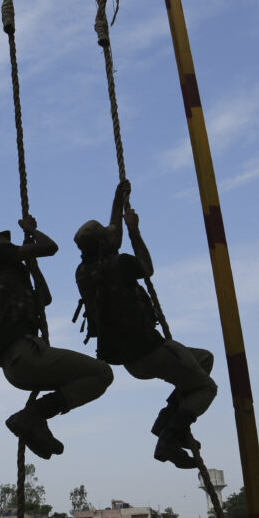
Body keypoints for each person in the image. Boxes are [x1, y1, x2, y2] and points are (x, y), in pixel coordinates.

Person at [73, 181, 217, 468]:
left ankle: (169, 421)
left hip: (130, 360)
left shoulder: (84, 272)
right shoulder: (120, 265)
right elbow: (146, 267)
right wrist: (134, 229)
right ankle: (170, 437)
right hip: (152, 350)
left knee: (203, 359)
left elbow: (110, 239)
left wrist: (117, 201)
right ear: (103, 244)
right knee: (206, 388)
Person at [0, 221, 113, 459]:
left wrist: (32, 264)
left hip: (16, 366)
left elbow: (45, 299)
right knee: (102, 373)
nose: (10, 241)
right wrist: (31, 230)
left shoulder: (4, 276)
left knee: (91, 376)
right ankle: (33, 415)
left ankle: (35, 422)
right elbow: (51, 247)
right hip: (25, 355)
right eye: (4, 239)